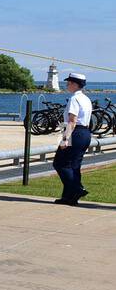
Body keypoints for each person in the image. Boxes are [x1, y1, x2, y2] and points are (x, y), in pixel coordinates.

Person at [53, 72, 92, 205]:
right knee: (74, 166)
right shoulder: (86, 98)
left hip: (75, 132)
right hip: (85, 133)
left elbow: (72, 121)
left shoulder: (74, 99)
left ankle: (77, 189)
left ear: (75, 84)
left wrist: (65, 139)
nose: (67, 85)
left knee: (60, 163)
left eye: (68, 83)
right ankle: (69, 197)